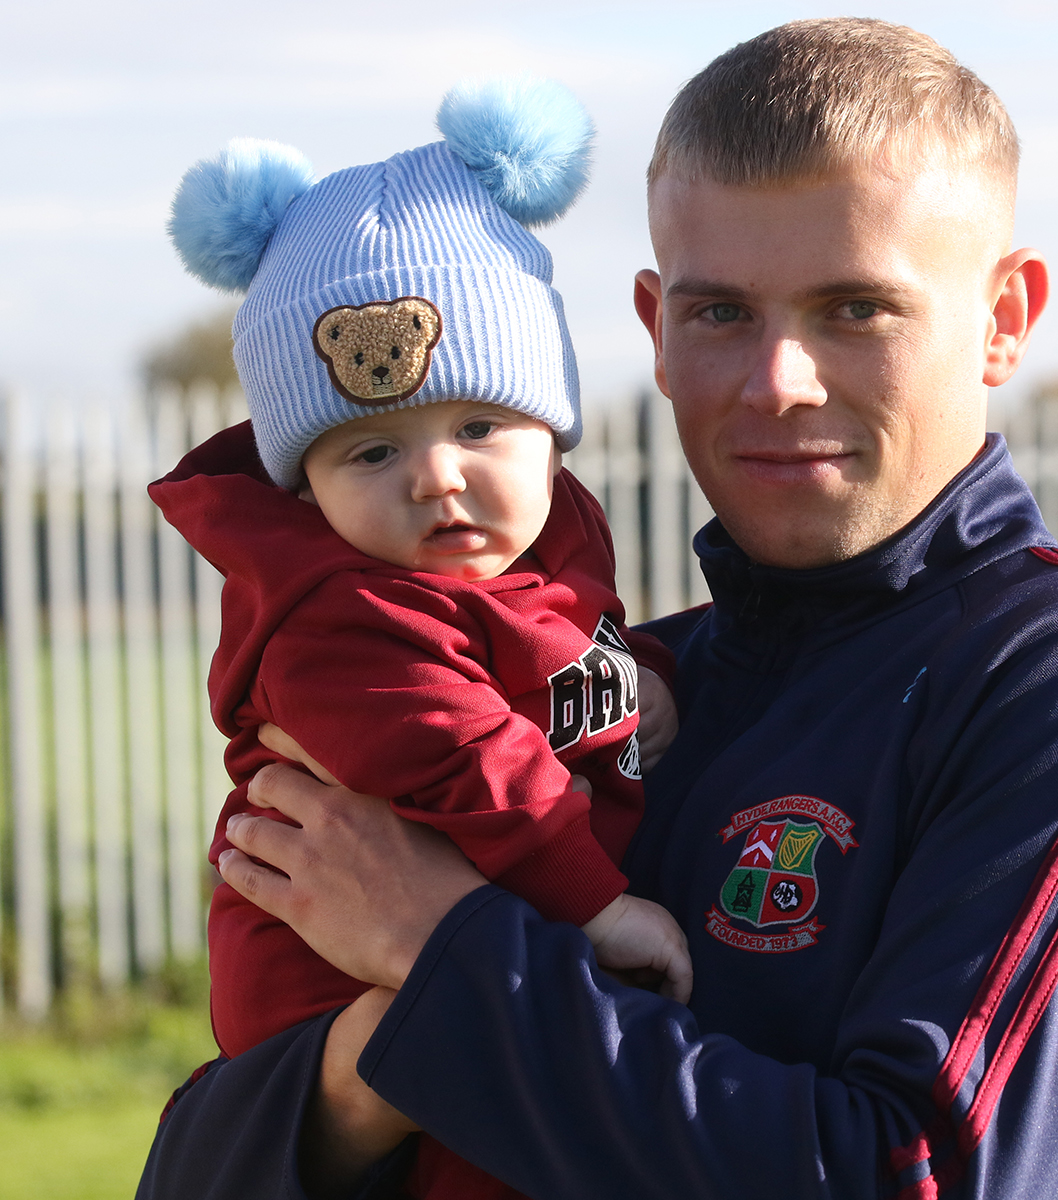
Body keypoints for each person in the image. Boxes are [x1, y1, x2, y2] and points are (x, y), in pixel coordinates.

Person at [137, 19, 1058, 1200]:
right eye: (722, 312)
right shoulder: (614, 695)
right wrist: (359, 1079)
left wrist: (443, 955)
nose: (779, 379)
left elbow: (910, 1177)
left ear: (1004, 319)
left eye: (857, 309)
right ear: (655, 330)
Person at [150, 78, 691, 1200]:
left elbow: (573, 661)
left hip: (476, 940)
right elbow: (458, 750)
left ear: (550, 427)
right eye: (368, 452)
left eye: (480, 424)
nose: (437, 477)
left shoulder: (544, 544)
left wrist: (649, 684)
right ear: (303, 489)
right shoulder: (338, 614)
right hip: (327, 975)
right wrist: (595, 904)